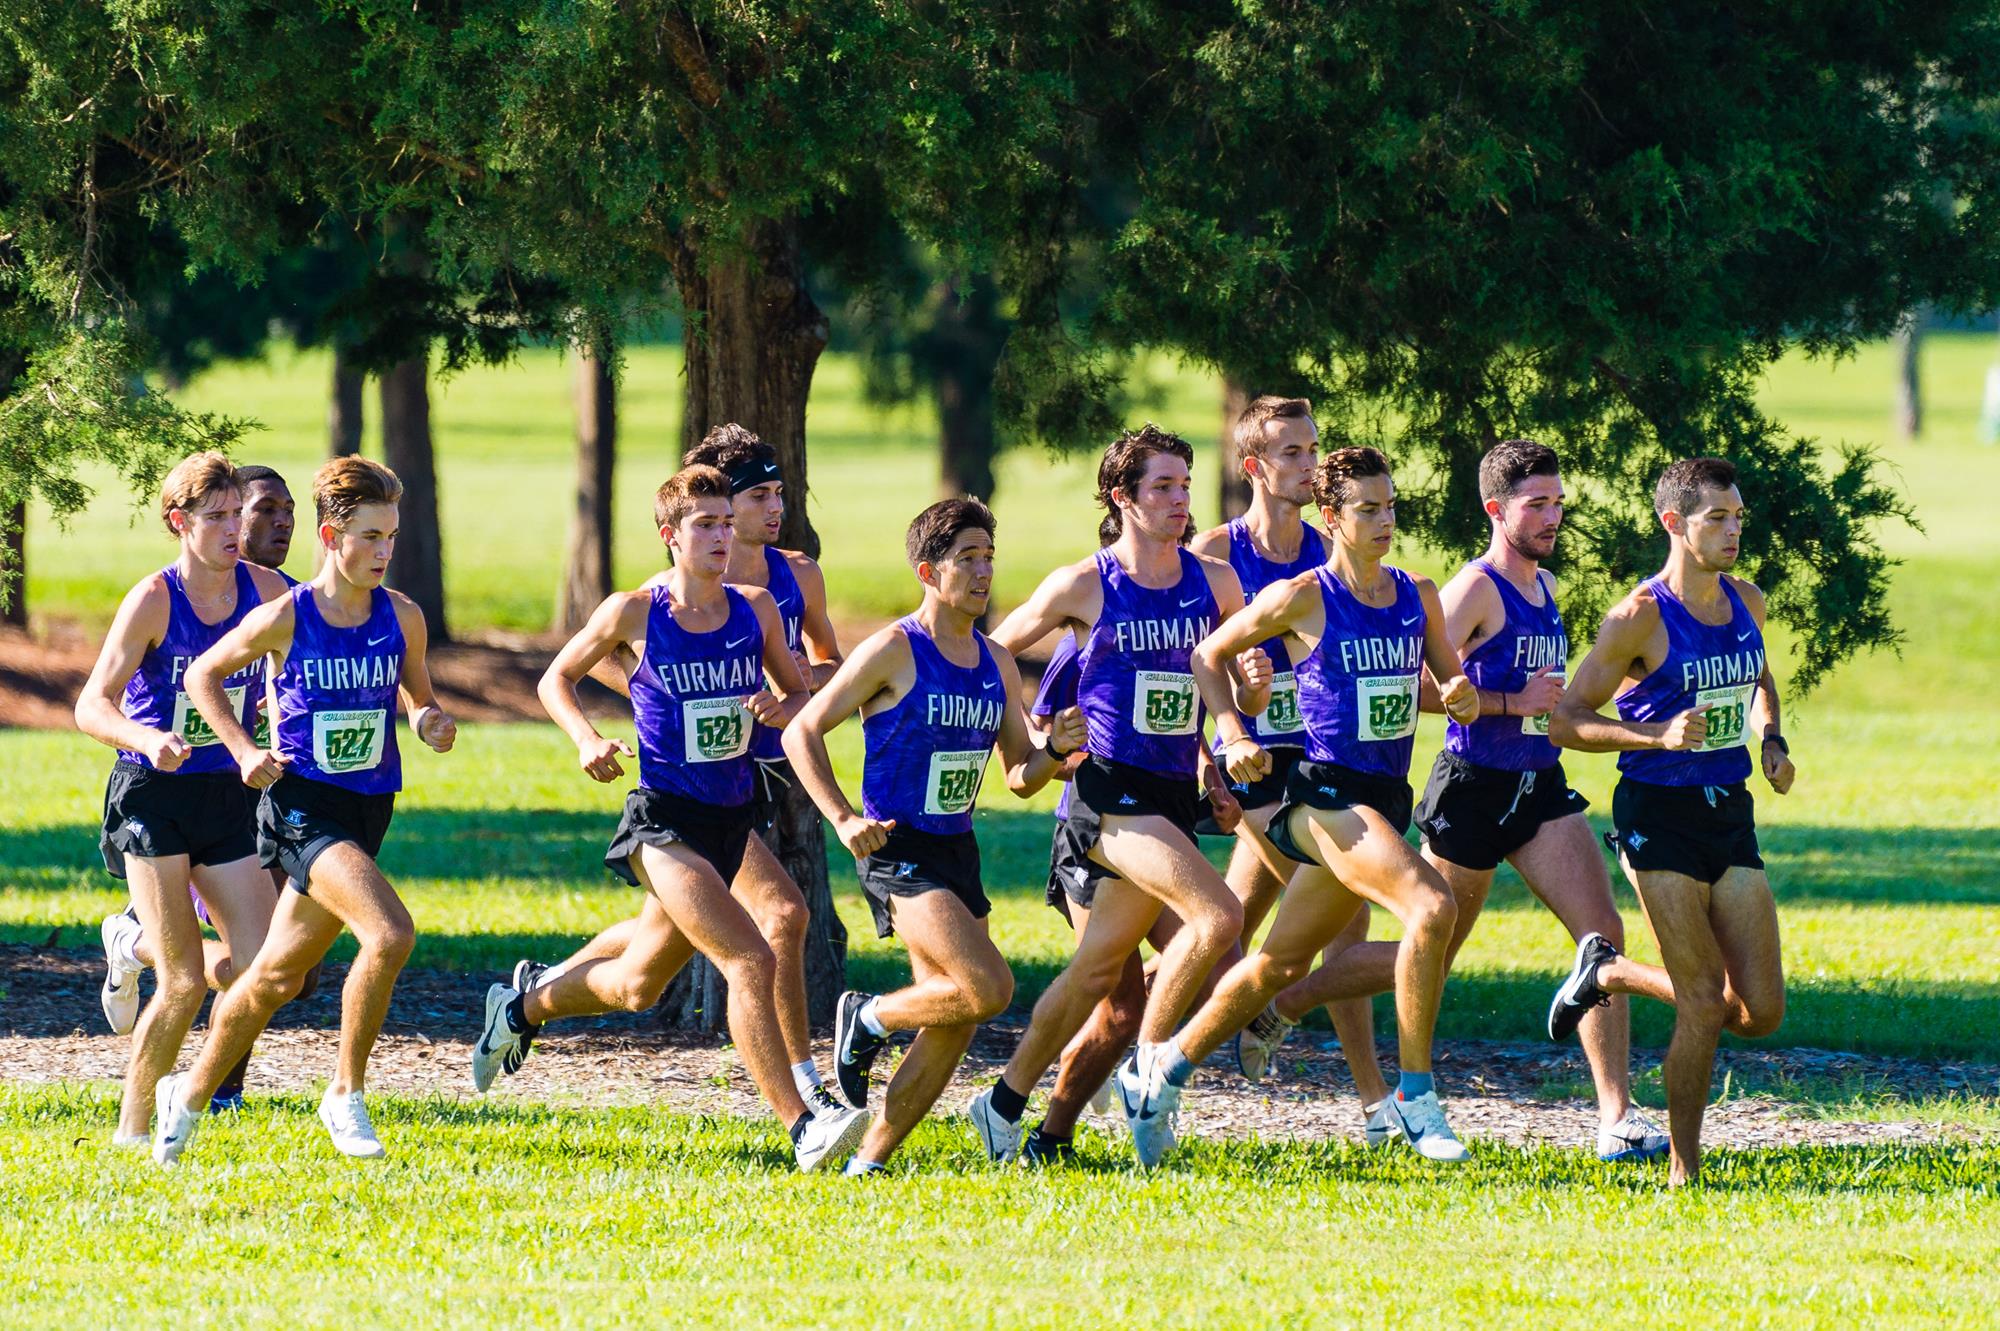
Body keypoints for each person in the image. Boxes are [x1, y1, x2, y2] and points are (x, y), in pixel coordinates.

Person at [1240, 440, 1675, 1161]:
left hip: (1537, 786)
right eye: (1537, 503)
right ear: (1496, 509)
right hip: (1470, 792)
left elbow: (1548, 701)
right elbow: (1411, 684)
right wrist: (1508, 699)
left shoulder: (1546, 587)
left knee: (1602, 931)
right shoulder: (1474, 589)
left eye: (1558, 502)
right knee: (1430, 955)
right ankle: (1285, 1000)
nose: (1552, 515)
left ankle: (1615, 1116)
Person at [470, 464, 867, 1172]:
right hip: (664, 821)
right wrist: (588, 738)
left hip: (731, 819)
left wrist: (787, 704)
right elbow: (555, 676)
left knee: (636, 984)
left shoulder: (756, 608)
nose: (721, 535)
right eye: (705, 525)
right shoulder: (636, 611)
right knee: (749, 955)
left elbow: (797, 686)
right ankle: (802, 1122)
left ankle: (523, 1006)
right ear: (669, 537)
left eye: (725, 522)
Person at [1150, 446, 1481, 1167]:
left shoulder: (1416, 593)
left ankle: (1162, 1070)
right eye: (1367, 508)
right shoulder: (1303, 596)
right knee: (1431, 908)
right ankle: (1417, 1096)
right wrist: (1233, 729)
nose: (1384, 519)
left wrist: (1461, 695)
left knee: (1275, 967)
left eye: (1390, 505)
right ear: (1331, 517)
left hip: (1385, 800)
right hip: (1323, 793)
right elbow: (1207, 655)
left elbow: (1455, 688)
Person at [964, 424, 1272, 1163]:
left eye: (1184, 485)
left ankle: (1020, 1116)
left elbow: (1221, 681)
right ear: (1122, 498)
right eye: (1161, 487)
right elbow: (986, 653)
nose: (1178, 500)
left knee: (1115, 992)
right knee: (1220, 917)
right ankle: (1149, 1071)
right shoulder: (1085, 583)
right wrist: (1039, 739)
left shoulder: (1215, 582)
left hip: (1169, 800)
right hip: (1103, 801)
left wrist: (1241, 705)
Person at [152, 456, 459, 1163]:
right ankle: (344, 1094)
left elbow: (420, 696)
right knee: (389, 933)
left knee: (272, 977)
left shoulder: (401, 616)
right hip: (301, 809)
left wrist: (430, 722)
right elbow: (203, 674)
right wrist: (238, 747)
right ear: (330, 536)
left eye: (391, 537)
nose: (384, 552)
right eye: (369, 538)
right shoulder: (285, 617)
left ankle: (188, 1095)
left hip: (366, 811)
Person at [785, 498, 1086, 1172]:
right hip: (897, 847)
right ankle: (866, 1017)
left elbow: (1019, 773)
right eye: (967, 559)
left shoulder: (994, 660)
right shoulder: (895, 648)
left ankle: (869, 1162)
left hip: (957, 849)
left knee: (954, 1020)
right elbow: (801, 729)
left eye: (989, 557)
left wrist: (1056, 749)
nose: (983, 572)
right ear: (929, 570)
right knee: (989, 987)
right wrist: (841, 817)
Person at [1552, 456, 1792, 1185]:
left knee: (1758, 1011)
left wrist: (1772, 737)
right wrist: (1652, 735)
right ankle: (1686, 1171)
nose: (1732, 531)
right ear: (1673, 523)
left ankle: (1610, 970)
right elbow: (1566, 719)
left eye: (1738, 517)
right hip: (1658, 813)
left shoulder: (1745, 598)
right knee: (1700, 997)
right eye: (1715, 518)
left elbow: (1757, 676)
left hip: (1729, 809)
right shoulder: (1638, 618)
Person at [75, 452, 290, 1146]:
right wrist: (143, 735)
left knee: (266, 967)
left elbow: (318, 643)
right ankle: (134, 1134)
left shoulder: (267, 589)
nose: (235, 529)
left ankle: (131, 944)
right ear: (179, 521)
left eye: (238, 515)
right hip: (154, 796)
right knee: (184, 982)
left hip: (229, 795)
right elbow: (90, 704)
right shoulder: (153, 599)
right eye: (218, 517)